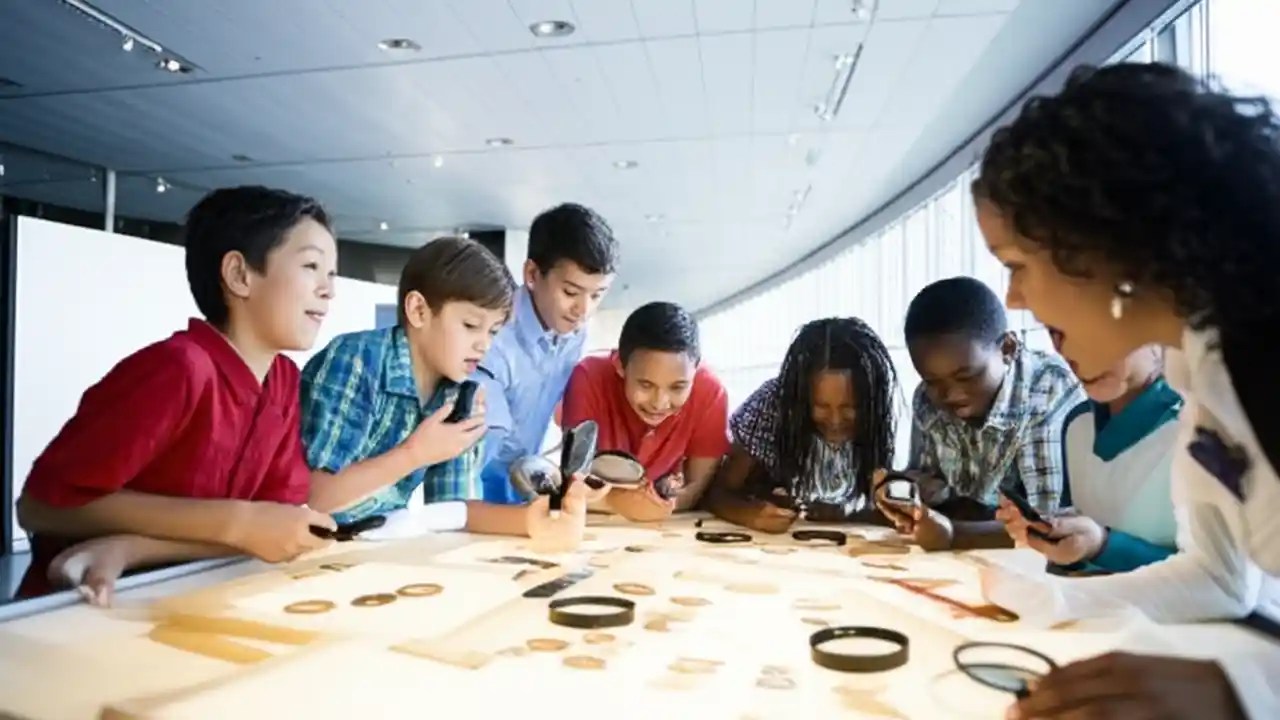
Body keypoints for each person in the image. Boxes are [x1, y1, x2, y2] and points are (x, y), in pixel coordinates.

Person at [972, 62, 1280, 720]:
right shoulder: (1204, 368)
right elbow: (1220, 576)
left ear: (1105, 239)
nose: (1014, 300)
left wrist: (1247, 687)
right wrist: (1060, 604)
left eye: (1017, 267)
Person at [15, 185, 340, 606]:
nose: (329, 289)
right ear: (240, 275)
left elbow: (271, 531)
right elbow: (39, 507)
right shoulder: (180, 368)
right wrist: (237, 522)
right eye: (312, 266)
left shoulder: (283, 381)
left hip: (187, 601)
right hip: (86, 612)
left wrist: (133, 547)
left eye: (331, 274)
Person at [300, 237, 588, 549]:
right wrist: (415, 453)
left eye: (493, 331)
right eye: (470, 325)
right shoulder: (358, 359)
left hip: (375, 547)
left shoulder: (461, 395)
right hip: (298, 551)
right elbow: (316, 497)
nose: (484, 344)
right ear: (419, 310)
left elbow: (452, 510)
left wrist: (541, 519)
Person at [873, 277, 1083, 550]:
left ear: (1007, 349)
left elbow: (1047, 527)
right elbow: (931, 497)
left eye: (967, 376)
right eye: (932, 381)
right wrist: (901, 495)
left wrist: (952, 533)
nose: (950, 394)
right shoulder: (927, 400)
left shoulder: (1045, 390)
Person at [999, 334, 1181, 574]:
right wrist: (1053, 536)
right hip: (1094, 605)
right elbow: (1077, 562)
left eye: (1096, 330)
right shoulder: (1079, 424)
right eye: (1057, 333)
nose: (1074, 352)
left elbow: (1222, 581)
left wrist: (1102, 546)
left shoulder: (1196, 430)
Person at [476, 203, 618, 504]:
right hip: (474, 494)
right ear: (531, 274)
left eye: (597, 295)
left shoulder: (574, 334)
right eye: (570, 292)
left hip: (525, 490)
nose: (584, 310)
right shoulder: (491, 335)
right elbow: (475, 449)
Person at [705, 317, 899, 533]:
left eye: (849, 407)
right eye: (821, 406)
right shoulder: (772, 404)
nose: (835, 421)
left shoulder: (874, 413)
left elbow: (885, 505)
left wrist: (847, 511)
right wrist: (750, 514)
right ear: (800, 398)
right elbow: (719, 493)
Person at [560, 301, 730, 521]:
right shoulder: (588, 377)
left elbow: (695, 489)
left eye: (678, 387)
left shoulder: (711, 391)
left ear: (695, 371)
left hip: (665, 522)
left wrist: (654, 504)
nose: (660, 403)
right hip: (595, 521)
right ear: (620, 365)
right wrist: (622, 503)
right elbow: (574, 482)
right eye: (646, 385)